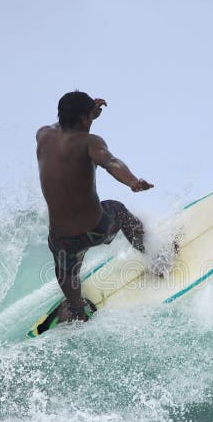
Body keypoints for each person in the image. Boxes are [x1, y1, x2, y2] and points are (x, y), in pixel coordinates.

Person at [36, 91, 153, 322]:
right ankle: (158, 261)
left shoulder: (42, 135)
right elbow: (110, 162)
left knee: (67, 272)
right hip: (96, 229)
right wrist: (132, 181)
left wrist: (87, 114)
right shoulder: (90, 142)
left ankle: (77, 310)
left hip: (63, 240)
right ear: (83, 119)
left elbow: (63, 126)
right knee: (117, 209)